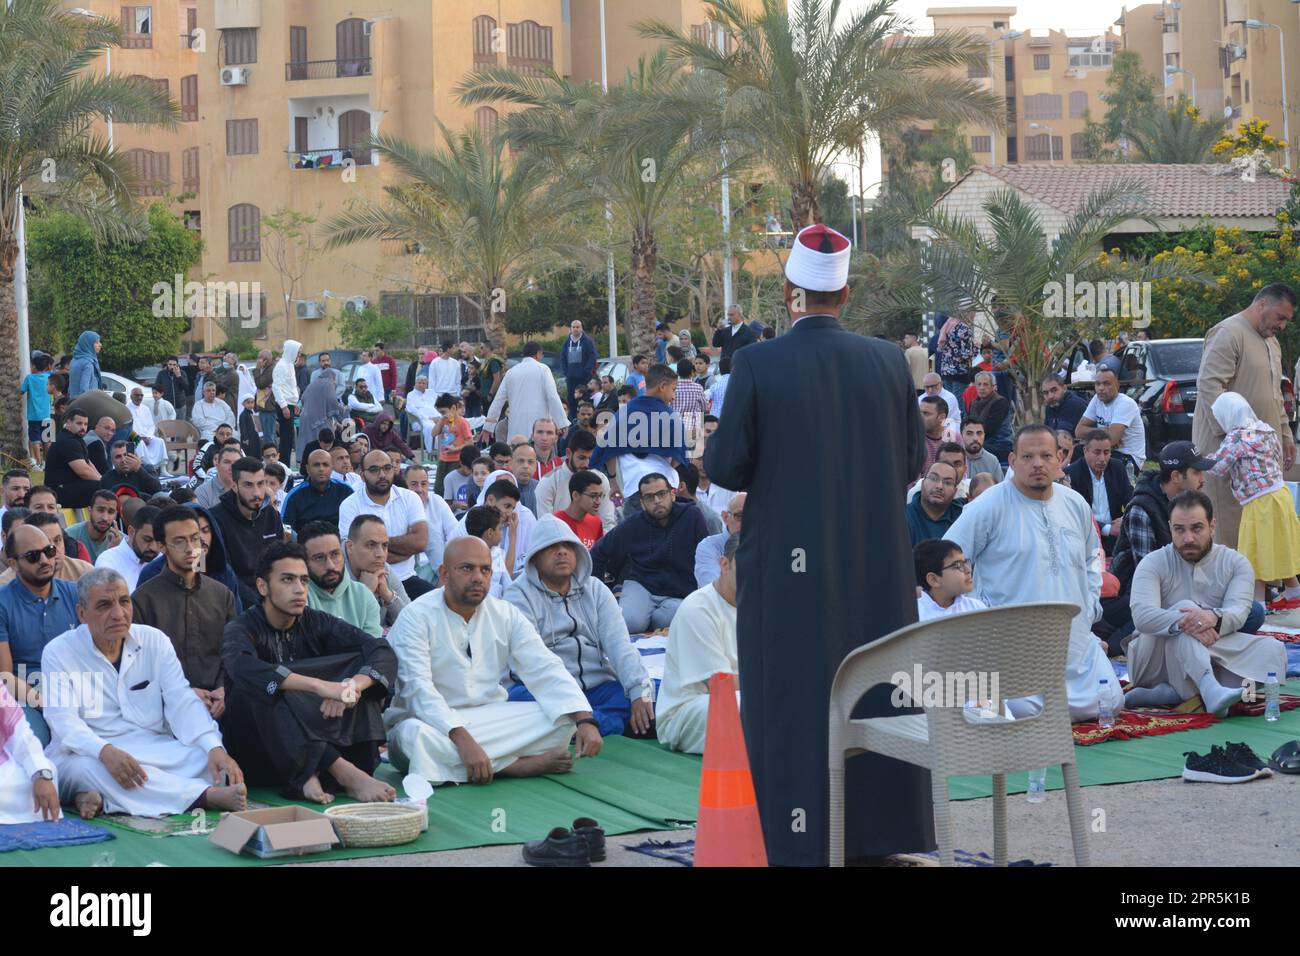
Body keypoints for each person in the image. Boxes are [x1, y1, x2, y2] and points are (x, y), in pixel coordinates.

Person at [705, 222, 932, 866]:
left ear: (788, 293)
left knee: (792, 696)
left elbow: (726, 466)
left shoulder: (756, 362)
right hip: (876, 566)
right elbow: (914, 460)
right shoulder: (889, 361)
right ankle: (880, 837)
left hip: (787, 570)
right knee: (877, 691)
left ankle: (798, 840)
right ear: (847, 294)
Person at [385, 537, 602, 785]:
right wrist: (462, 739)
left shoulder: (505, 613)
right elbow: (418, 689)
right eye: (467, 568)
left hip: (488, 718)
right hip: (429, 723)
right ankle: (509, 766)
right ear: (444, 574)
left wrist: (584, 719)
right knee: (413, 739)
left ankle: (471, 765)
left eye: (485, 569)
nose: (478, 577)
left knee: (562, 718)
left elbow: (544, 667)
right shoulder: (415, 616)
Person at [944, 424, 1124, 722]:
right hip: (1013, 646)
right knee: (1025, 709)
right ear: (1012, 461)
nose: (1038, 464)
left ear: (1060, 460)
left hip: (1074, 639)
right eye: (1028, 457)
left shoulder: (1075, 503)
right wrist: (975, 607)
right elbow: (948, 557)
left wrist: (1091, 603)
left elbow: (1094, 558)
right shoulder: (988, 505)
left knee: (1110, 701)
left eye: (1045, 456)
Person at [42, 568, 246, 818]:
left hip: (151, 746)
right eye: (104, 605)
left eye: (124, 602)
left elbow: (182, 701)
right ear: (82, 613)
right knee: (87, 770)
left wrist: (214, 748)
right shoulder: (58, 651)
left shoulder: (154, 641)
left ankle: (99, 798)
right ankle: (203, 797)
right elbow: (65, 724)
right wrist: (105, 752)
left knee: (203, 757)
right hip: (87, 751)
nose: (118, 614)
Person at [221, 543, 397, 803]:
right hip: (260, 751)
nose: (299, 589)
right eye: (287, 580)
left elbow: (380, 649)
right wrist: (320, 687)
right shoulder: (242, 627)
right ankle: (342, 773)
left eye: (303, 580)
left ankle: (313, 771)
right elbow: (241, 667)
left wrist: (350, 687)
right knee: (260, 687)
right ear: (262, 587)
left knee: (359, 666)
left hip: (320, 734)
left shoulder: (316, 622)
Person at [1127, 491, 1288, 717]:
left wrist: (1211, 618)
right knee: (1184, 611)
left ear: (1212, 526)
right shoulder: (1153, 563)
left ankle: (1178, 693)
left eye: (1197, 528)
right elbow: (1142, 617)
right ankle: (1210, 691)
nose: (1188, 538)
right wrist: (1189, 619)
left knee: (1271, 649)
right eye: (1179, 530)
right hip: (1155, 660)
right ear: (1170, 527)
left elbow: (1239, 612)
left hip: (1210, 651)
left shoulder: (1236, 563)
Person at [504, 516, 654, 737]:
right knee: (522, 705)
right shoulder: (518, 596)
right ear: (535, 558)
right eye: (552, 548)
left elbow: (620, 645)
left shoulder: (595, 589)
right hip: (546, 691)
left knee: (655, 698)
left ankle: (586, 726)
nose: (562, 552)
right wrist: (575, 708)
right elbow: (530, 663)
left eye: (567, 546)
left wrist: (639, 693)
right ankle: (607, 724)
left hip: (598, 689)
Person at [131, 507, 235, 719]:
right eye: (179, 541)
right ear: (161, 546)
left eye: (195, 539)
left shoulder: (221, 594)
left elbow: (233, 653)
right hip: (164, 711)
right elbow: (136, 668)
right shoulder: (142, 600)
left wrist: (224, 689)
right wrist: (182, 694)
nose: (190, 548)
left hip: (222, 705)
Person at [1204, 392, 1300, 606]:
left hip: (1261, 502)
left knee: (1256, 551)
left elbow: (1218, 466)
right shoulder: (1266, 430)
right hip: (1280, 495)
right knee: (1279, 543)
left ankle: (1257, 604)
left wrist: (1196, 460)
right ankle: (1293, 589)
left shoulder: (1238, 436)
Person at [591, 473, 709, 633]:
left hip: (679, 592)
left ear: (672, 494)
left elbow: (706, 556)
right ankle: (640, 615)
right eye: (649, 497)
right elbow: (598, 552)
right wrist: (599, 596)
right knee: (629, 623)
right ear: (642, 502)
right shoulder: (634, 524)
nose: (657, 501)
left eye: (661, 494)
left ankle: (648, 618)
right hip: (642, 586)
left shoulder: (692, 516)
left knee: (681, 620)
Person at [657, 531, 740, 754]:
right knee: (755, 709)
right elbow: (721, 685)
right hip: (686, 711)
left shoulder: (762, 606)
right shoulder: (698, 609)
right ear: (724, 564)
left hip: (741, 697)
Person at [0, 525, 81, 746]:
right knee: (33, 744)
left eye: (49, 550)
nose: (45, 560)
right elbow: (4, 676)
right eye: (33, 556)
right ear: (13, 563)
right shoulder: (2, 604)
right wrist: (46, 703)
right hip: (28, 697)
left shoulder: (76, 594)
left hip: (82, 689)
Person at [590, 363, 688, 517]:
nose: (674, 396)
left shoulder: (625, 412)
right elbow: (678, 457)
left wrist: (613, 482)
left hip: (636, 488)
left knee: (634, 537)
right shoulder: (670, 416)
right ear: (662, 386)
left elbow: (609, 448)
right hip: (664, 488)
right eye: (673, 390)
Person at [338, 450, 431, 601]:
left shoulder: (409, 498)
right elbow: (352, 554)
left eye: (387, 468)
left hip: (407, 578)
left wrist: (371, 546)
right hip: (365, 580)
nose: (382, 475)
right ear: (362, 475)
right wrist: (405, 550)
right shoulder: (350, 505)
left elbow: (420, 542)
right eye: (374, 470)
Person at [210, 458, 287, 607]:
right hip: (235, 599)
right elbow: (222, 574)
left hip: (271, 592)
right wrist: (260, 604)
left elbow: (280, 560)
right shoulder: (215, 519)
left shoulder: (271, 515)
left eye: (261, 484)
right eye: (248, 485)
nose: (257, 493)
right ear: (234, 486)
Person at [299, 521, 382, 639]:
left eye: (335, 554)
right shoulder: (298, 598)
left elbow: (373, 651)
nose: (330, 566)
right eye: (319, 558)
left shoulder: (364, 596)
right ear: (304, 562)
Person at [484, 341, 570, 443]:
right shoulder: (543, 369)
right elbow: (552, 397)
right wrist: (562, 423)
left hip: (516, 429)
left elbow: (498, 401)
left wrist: (488, 427)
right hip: (539, 430)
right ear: (538, 353)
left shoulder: (511, 372)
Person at [1066, 430, 1134, 557]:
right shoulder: (1072, 474)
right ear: (1085, 451)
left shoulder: (1117, 468)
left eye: (1106, 452)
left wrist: (1125, 519)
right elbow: (1075, 515)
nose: (1102, 459)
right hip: (1086, 537)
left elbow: (1130, 499)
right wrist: (1106, 529)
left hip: (1117, 536)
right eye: (1097, 452)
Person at [1075, 367, 1146, 478]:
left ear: (1117, 386)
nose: (1101, 388)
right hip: (1106, 450)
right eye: (1097, 384)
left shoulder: (1125, 403)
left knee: (1091, 460)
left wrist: (1108, 436)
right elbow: (1078, 431)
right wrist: (1105, 432)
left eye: (1106, 384)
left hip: (1128, 457)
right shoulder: (1097, 399)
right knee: (1078, 452)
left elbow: (1112, 439)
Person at [345, 514, 411, 629]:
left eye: (385, 546)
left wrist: (388, 596)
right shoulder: (333, 572)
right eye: (371, 545)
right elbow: (341, 633)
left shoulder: (384, 570)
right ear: (350, 547)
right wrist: (365, 593)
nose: (380, 554)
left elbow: (413, 621)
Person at [401, 463, 461, 577]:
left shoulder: (436, 501)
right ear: (405, 486)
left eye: (423, 484)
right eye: (414, 484)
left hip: (441, 562)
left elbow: (455, 535)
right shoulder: (398, 506)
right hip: (410, 567)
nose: (419, 489)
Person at [2, 512, 93, 583]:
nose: (53, 549)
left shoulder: (85, 572)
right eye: (44, 542)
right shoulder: (4, 585)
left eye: (57, 540)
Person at [93, 502, 160, 592]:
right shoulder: (108, 562)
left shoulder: (165, 560)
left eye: (159, 541)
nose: (154, 547)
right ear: (131, 532)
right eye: (147, 539)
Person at [914, 538, 986, 621]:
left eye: (965, 562)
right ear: (934, 580)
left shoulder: (976, 608)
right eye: (958, 565)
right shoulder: (914, 616)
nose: (968, 570)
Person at [282, 448, 354, 529]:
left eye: (325, 465)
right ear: (308, 469)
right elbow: (286, 529)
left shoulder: (345, 491)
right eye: (316, 465)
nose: (321, 469)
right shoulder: (294, 495)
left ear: (331, 468)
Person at [43, 409, 101, 508]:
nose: (83, 427)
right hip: (57, 491)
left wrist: (102, 479)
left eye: (85, 424)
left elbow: (88, 464)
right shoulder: (67, 441)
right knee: (100, 488)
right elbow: (83, 471)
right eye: (79, 423)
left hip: (69, 486)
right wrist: (104, 484)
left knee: (104, 487)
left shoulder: (76, 439)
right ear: (69, 423)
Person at [906, 460, 964, 546]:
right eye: (933, 478)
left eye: (947, 482)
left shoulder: (962, 517)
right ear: (922, 483)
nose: (939, 486)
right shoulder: (904, 516)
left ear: (955, 491)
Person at [694, 491, 745, 588]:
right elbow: (713, 588)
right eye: (740, 516)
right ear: (725, 517)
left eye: (753, 516)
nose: (748, 522)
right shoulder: (708, 547)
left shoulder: (764, 546)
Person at [295, 368, 345, 464]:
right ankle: (323, 461)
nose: (334, 382)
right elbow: (331, 400)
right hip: (319, 418)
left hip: (306, 418)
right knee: (322, 440)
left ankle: (306, 461)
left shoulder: (313, 384)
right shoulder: (328, 383)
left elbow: (303, 397)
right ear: (332, 377)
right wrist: (341, 410)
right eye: (334, 380)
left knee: (308, 441)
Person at [430, 393, 473, 496]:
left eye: (443, 412)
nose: (442, 414)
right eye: (440, 413)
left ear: (453, 408)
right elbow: (433, 433)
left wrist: (456, 449)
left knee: (451, 486)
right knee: (439, 487)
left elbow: (470, 442)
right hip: (443, 458)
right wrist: (441, 420)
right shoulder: (444, 421)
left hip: (456, 459)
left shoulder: (462, 422)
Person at [965, 371, 1013, 461]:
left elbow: (990, 429)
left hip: (999, 443)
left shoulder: (1000, 402)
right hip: (980, 440)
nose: (982, 388)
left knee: (969, 449)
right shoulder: (974, 403)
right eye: (979, 384)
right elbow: (967, 423)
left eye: (985, 384)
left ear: (993, 387)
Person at [65, 490, 122, 562]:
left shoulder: (122, 541)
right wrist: (110, 554)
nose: (105, 518)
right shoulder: (69, 536)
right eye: (100, 510)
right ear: (90, 510)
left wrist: (116, 551)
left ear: (116, 514)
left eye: (111, 512)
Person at [554, 471, 605, 549]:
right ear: (575, 495)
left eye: (600, 496)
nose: (598, 501)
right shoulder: (556, 522)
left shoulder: (596, 522)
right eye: (593, 496)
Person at [273, 340, 302, 465]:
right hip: (283, 405)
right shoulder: (281, 366)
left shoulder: (290, 365)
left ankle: (286, 465)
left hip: (290, 404)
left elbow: (291, 387)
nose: (298, 356)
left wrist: (295, 403)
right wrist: (284, 406)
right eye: (298, 353)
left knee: (289, 437)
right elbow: (276, 387)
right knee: (285, 438)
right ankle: (283, 465)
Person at [20, 353, 52, 469]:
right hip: (47, 414)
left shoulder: (29, 378)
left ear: (33, 366)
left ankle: (38, 463)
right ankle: (48, 462)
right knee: (47, 439)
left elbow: (22, 391)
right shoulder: (49, 377)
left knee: (35, 440)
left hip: (33, 415)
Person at [562, 321, 599, 415]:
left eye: (577, 327)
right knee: (571, 400)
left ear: (581, 328)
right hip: (571, 378)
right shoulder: (567, 342)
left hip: (584, 378)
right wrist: (566, 372)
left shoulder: (587, 341)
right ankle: (573, 420)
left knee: (585, 400)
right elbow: (562, 357)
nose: (575, 329)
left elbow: (592, 356)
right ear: (570, 329)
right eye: (573, 327)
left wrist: (586, 371)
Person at [671, 358, 710, 444]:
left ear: (677, 373)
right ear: (692, 372)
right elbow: (705, 407)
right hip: (695, 428)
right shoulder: (698, 388)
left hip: (676, 427)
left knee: (678, 455)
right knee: (696, 455)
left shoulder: (672, 388)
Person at [935, 310, 975, 393]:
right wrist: (977, 349)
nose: (974, 315)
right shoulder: (964, 328)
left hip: (946, 371)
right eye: (973, 312)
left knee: (950, 402)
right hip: (959, 372)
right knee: (959, 403)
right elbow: (966, 354)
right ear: (967, 312)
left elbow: (941, 348)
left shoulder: (948, 325)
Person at [196, 443, 244, 511]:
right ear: (217, 466)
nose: (232, 467)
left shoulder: (247, 488)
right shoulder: (202, 492)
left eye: (236, 462)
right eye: (227, 462)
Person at [960, 419, 1003, 483]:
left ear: (984, 435)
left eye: (979, 433)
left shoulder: (992, 461)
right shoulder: (954, 458)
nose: (975, 438)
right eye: (969, 434)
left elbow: (1000, 489)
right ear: (961, 435)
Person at [67, 331, 103, 398]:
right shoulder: (88, 363)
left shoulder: (74, 360)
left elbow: (71, 386)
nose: (100, 344)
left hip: (73, 401)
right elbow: (84, 389)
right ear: (88, 344)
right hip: (87, 403)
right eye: (96, 342)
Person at [509, 443, 539, 514]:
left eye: (530, 462)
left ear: (536, 466)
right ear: (511, 463)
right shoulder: (501, 489)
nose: (525, 466)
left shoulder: (542, 488)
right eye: (521, 461)